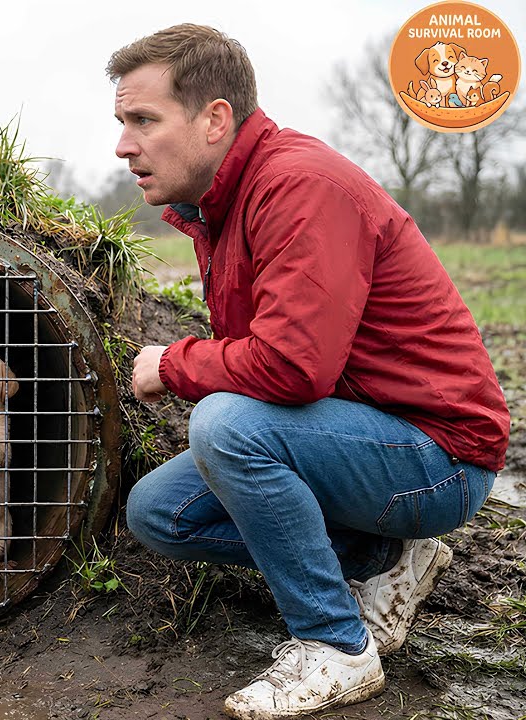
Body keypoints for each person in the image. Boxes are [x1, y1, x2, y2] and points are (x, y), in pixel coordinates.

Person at [108, 24, 510, 720]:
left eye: (143, 119)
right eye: (121, 122)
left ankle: (334, 646)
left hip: (440, 455)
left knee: (227, 425)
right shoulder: (224, 206)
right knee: (159, 513)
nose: (123, 144)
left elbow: (292, 369)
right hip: (363, 436)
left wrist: (175, 364)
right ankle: (386, 561)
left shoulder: (300, 186)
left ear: (214, 119)